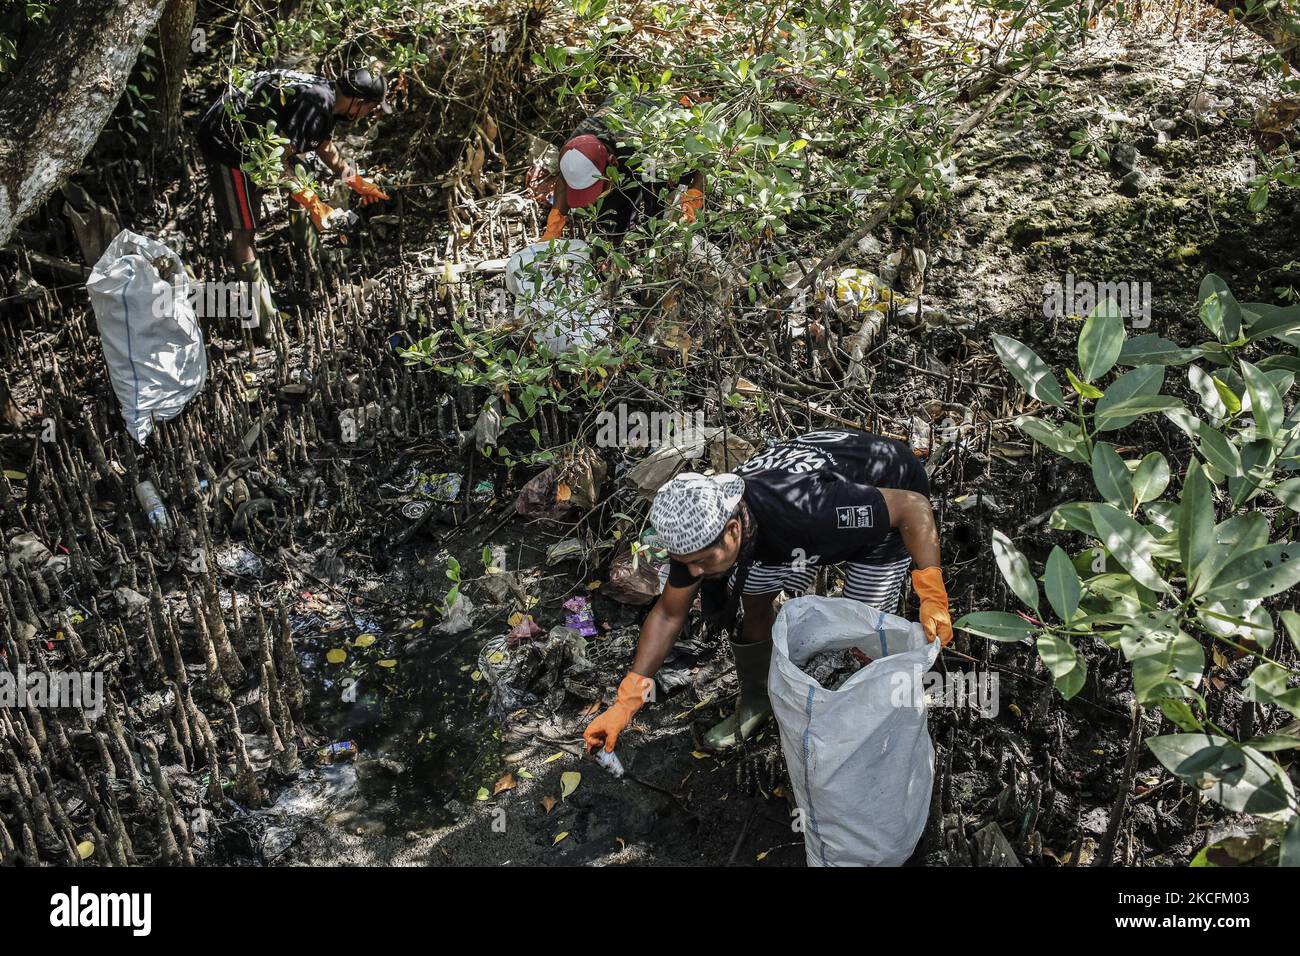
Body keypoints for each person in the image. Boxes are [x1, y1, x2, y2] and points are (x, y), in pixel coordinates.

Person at [583, 428, 953, 754]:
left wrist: (932, 593)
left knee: (861, 625)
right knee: (753, 595)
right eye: (686, 562)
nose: (693, 573)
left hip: (887, 499)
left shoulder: (810, 512)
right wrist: (626, 700)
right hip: (795, 515)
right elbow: (668, 613)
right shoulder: (701, 537)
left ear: (732, 531)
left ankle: (862, 716)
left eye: (700, 561)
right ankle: (757, 701)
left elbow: (913, 508)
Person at [196, 67, 391, 338]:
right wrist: (310, 199)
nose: (369, 115)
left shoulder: (328, 97)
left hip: (256, 138)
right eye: (371, 109)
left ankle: (310, 250)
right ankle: (266, 318)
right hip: (229, 143)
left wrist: (354, 180)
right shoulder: (316, 102)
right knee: (245, 230)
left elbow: (322, 146)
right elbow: (274, 162)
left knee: (305, 174)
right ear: (359, 102)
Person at [540, 94, 706, 246]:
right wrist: (553, 228)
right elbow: (566, 177)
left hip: (661, 146)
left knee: (658, 220)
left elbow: (706, 161)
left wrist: (694, 196)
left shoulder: (648, 152)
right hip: (621, 145)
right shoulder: (576, 147)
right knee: (606, 225)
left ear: (612, 163)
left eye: (597, 185)